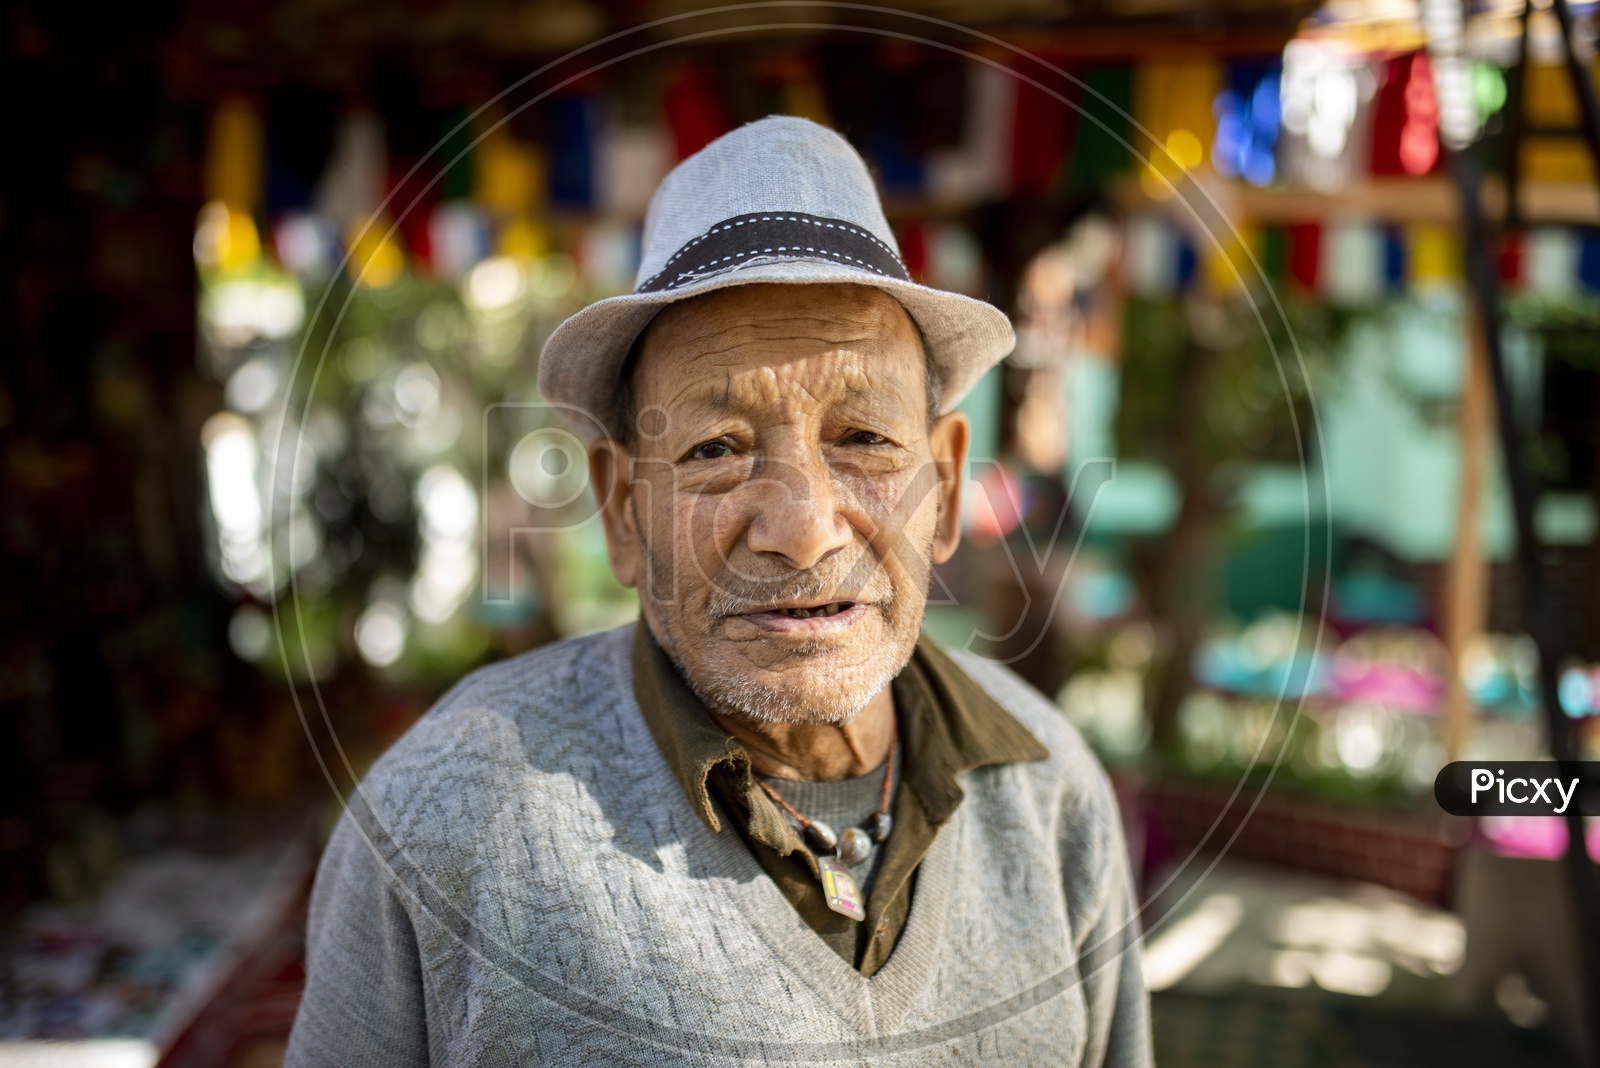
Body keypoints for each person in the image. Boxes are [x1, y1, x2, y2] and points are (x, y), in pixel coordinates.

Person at [286, 116, 1151, 1066]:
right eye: (716, 451)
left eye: (864, 440)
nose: (801, 529)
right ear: (623, 509)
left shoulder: (1051, 792)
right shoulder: (444, 816)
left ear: (942, 485)